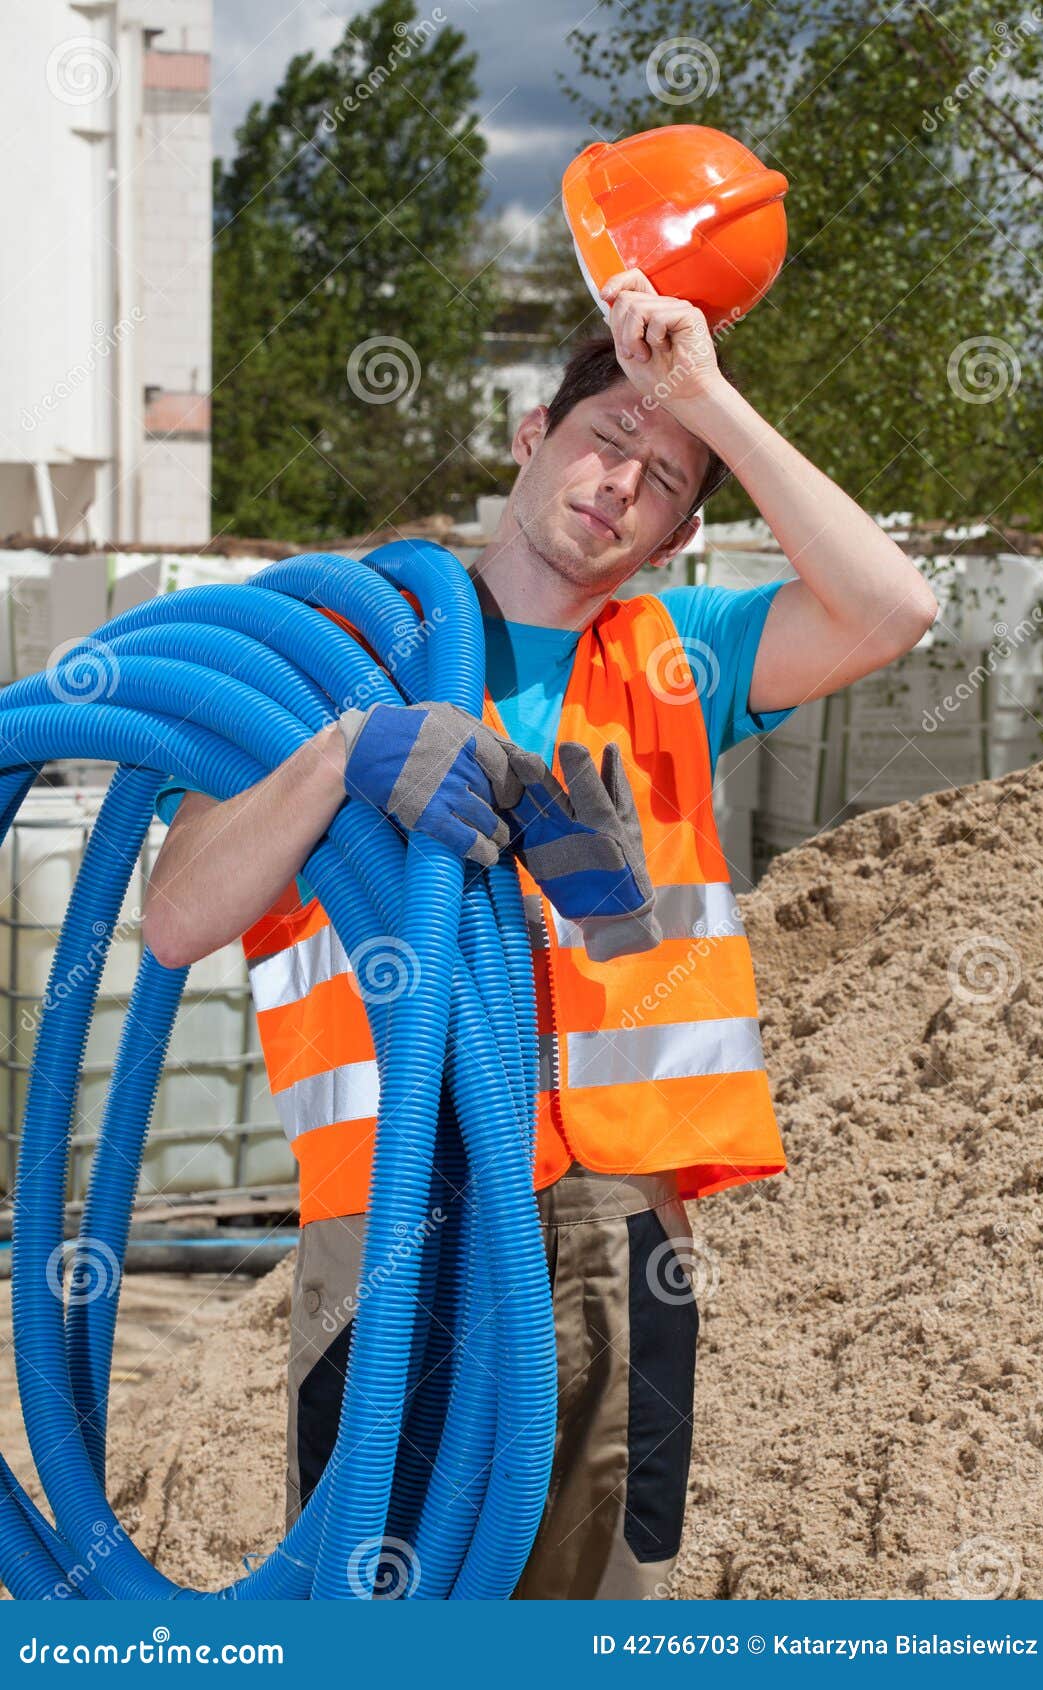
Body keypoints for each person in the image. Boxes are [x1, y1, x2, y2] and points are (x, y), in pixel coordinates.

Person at [143, 268, 938, 1599]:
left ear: (680, 533)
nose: (624, 480)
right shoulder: (344, 656)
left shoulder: (677, 656)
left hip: (625, 1231)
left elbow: (892, 606)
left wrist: (708, 400)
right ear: (532, 436)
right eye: (606, 437)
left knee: (598, 1615)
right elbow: (175, 914)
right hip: (401, 1215)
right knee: (384, 1613)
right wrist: (342, 758)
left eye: (667, 477)